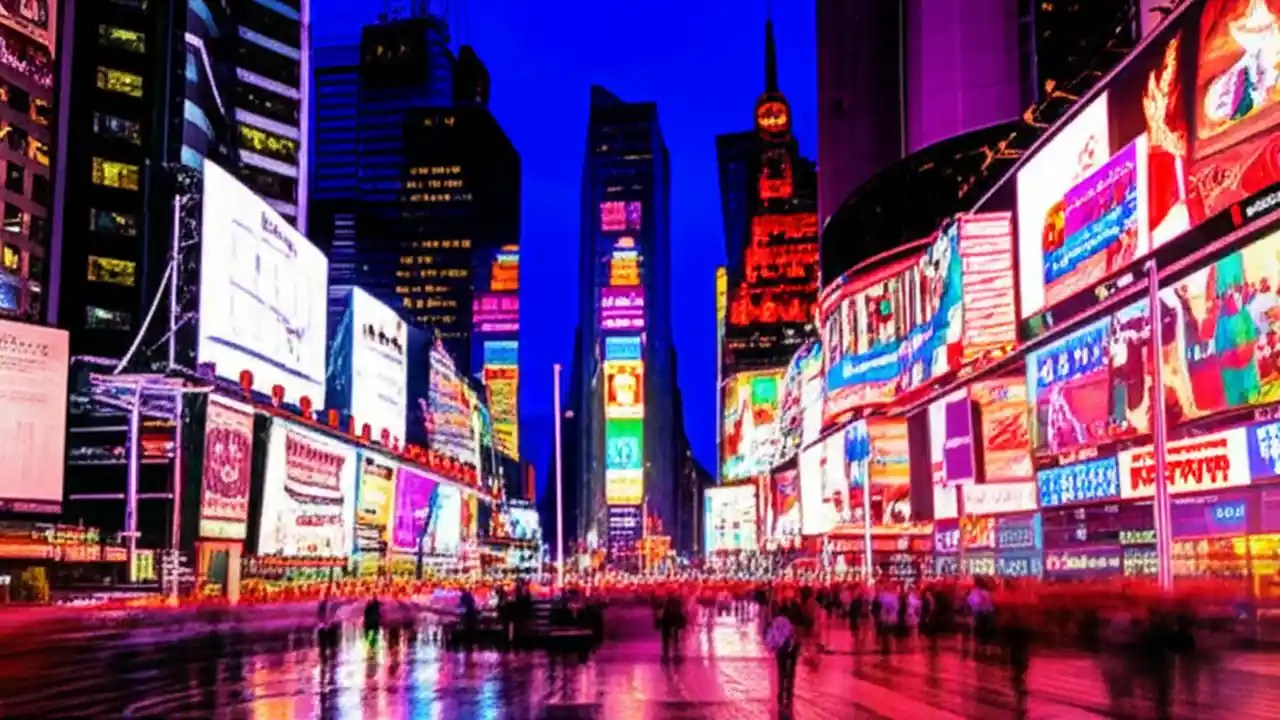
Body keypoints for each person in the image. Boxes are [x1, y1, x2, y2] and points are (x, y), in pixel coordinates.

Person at [765, 602, 799, 704]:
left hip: (781, 650)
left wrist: (772, 647)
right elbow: (793, 635)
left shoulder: (776, 622)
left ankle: (781, 692)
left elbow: (771, 637)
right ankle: (789, 691)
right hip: (791, 649)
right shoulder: (790, 622)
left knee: (781, 671)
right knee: (791, 671)